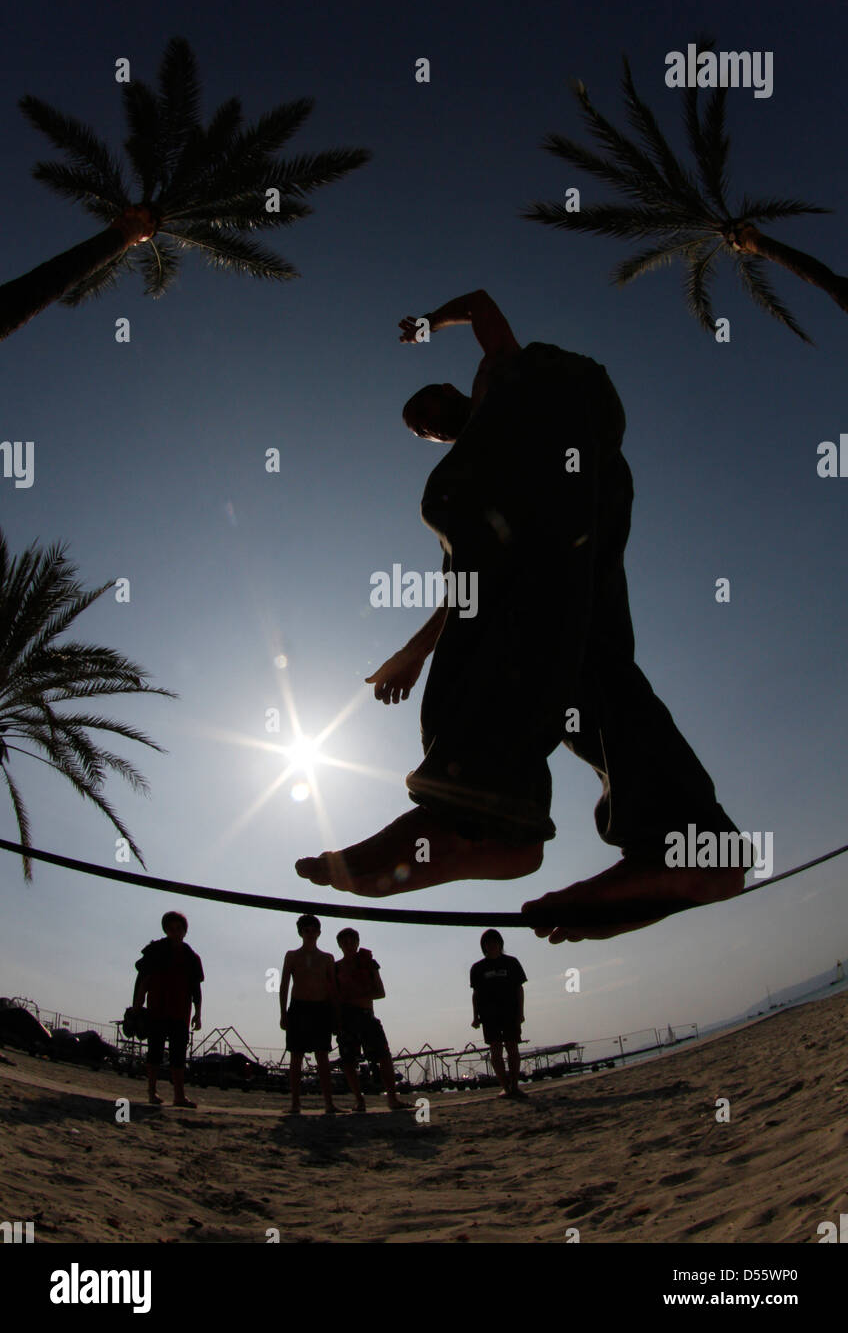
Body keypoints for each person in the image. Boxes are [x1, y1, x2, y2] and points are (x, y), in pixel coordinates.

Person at [297, 289, 747, 942]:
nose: (429, 425)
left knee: (464, 508)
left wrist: (431, 320)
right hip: (577, 490)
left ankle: (482, 818)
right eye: (421, 429)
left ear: (457, 390)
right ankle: (690, 848)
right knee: (582, 655)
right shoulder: (526, 477)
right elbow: (477, 583)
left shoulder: (503, 380)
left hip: (556, 425)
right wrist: (416, 651)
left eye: (428, 408)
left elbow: (482, 303)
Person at [133, 910, 203, 1109]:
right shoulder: (156, 950)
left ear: (184, 931)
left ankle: (179, 1095)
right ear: (166, 930)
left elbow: (196, 988)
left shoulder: (191, 957)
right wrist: (139, 1002)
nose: (175, 932)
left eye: (179, 929)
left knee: (178, 1055)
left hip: (180, 1011)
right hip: (158, 1008)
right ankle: (151, 1091)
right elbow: (145, 979)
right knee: (154, 1051)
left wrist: (198, 1013)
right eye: (171, 929)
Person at [334, 927, 407, 1111]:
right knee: (348, 1060)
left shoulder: (368, 963)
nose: (349, 945)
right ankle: (359, 1100)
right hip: (346, 1017)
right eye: (345, 942)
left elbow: (380, 992)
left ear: (357, 943)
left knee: (383, 1056)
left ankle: (392, 1098)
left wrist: (355, 995)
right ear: (340, 945)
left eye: (352, 942)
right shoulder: (336, 968)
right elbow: (333, 995)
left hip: (366, 1016)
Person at [279, 914, 338, 1115]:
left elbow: (332, 988)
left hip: (321, 1009)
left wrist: (334, 1014)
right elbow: (284, 984)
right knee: (296, 1055)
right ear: (301, 932)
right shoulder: (292, 955)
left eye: (313, 930)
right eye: (306, 930)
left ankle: (329, 1103)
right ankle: (295, 1103)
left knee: (322, 1056)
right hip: (298, 1008)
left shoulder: (327, 958)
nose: (310, 933)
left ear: (319, 932)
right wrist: (282, 1013)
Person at [470, 929, 527, 1098]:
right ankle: (505, 1087)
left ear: (500, 944)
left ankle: (515, 1085)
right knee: (495, 1051)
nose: (492, 946)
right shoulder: (477, 968)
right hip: (489, 1015)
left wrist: (521, 1012)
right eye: (488, 943)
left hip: (510, 1011)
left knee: (512, 1047)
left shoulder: (512, 962)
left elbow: (519, 988)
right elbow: (476, 993)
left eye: (495, 942)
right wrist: (475, 1016)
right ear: (484, 946)